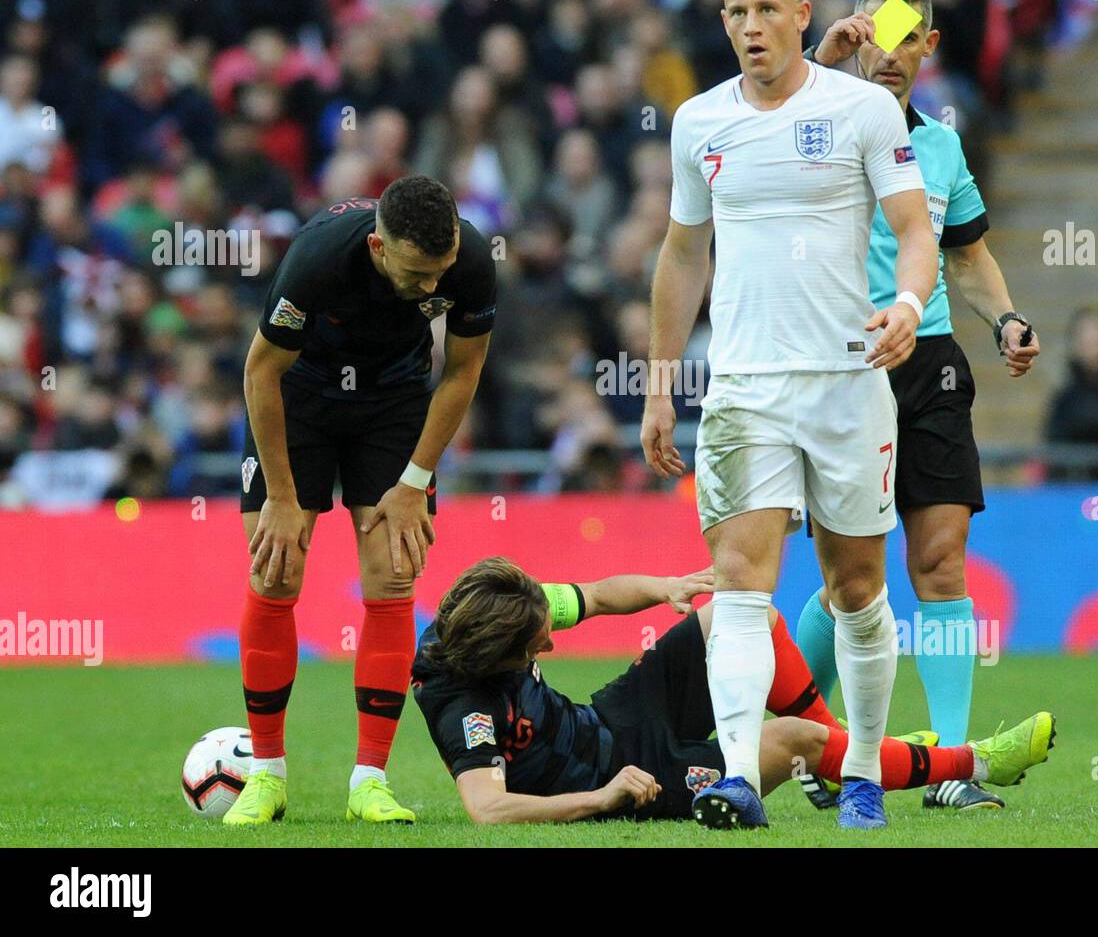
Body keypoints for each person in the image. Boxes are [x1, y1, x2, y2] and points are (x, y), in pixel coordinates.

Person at [641, 0, 940, 830]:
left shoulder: (862, 109)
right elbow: (682, 251)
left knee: (855, 588)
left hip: (850, 382)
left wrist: (909, 303)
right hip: (743, 388)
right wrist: (661, 385)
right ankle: (736, 773)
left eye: (767, 10)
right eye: (736, 14)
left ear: (802, 14)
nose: (749, 28)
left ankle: (860, 773)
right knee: (738, 584)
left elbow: (914, 228)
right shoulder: (698, 123)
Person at [793, 0, 1041, 810]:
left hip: (929, 362)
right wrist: (811, 62)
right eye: (876, 35)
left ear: (930, 46)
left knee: (938, 561)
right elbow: (762, 130)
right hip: (840, 365)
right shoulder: (815, 124)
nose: (890, 56)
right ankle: (802, 738)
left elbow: (968, 254)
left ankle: (952, 768)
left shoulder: (940, 147)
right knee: (848, 581)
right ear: (855, 35)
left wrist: (1005, 319)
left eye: (908, 39)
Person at [224, 175, 496, 826]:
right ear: (378, 247)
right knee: (275, 568)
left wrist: (413, 480)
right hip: (300, 397)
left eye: (442, 271)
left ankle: (368, 781)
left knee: (394, 573)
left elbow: (462, 371)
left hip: (395, 403)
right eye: (417, 274)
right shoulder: (317, 259)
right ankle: (266, 775)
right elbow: (260, 371)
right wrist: (283, 497)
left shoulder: (471, 261)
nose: (433, 287)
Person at [412, 557, 1056, 824]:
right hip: (632, 774)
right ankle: (974, 761)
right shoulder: (465, 705)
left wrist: (667, 588)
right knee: (798, 739)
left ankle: (845, 761)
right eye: (535, 647)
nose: (547, 647)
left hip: (611, 718)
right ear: (496, 656)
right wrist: (603, 796)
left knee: (742, 616)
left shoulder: (499, 607)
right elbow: (486, 809)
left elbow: (601, 596)